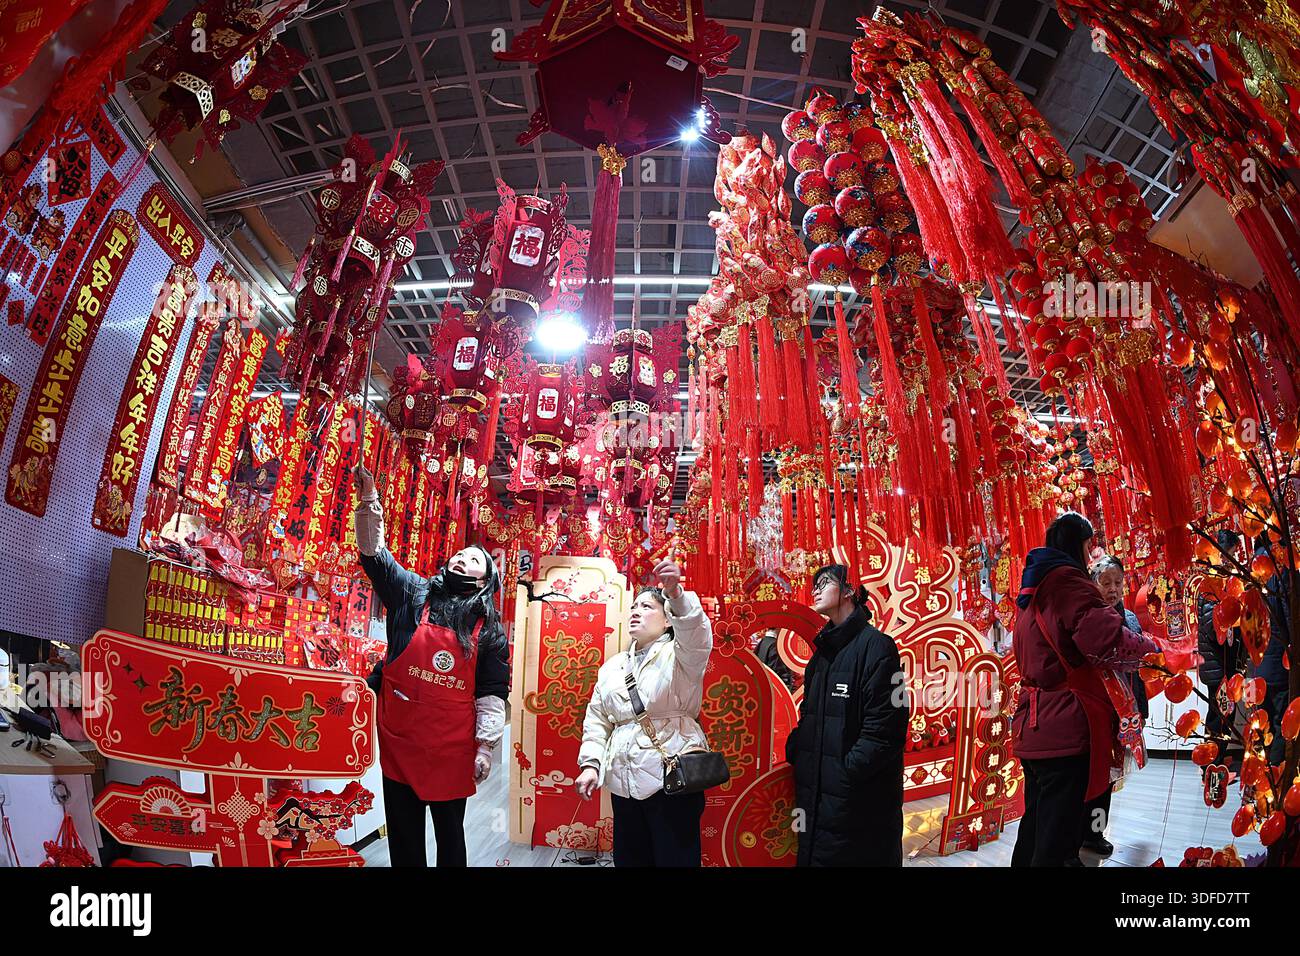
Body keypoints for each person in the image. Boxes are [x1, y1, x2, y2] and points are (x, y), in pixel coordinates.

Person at [353, 465, 510, 867]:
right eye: (459, 554)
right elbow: (375, 555)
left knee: (450, 838)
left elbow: (491, 694)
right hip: (400, 740)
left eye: (474, 558)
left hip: (451, 749)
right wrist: (370, 501)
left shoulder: (489, 629)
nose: (461, 558)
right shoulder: (412, 593)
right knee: (404, 841)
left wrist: (485, 748)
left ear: (486, 580)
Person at [1010, 513, 1157, 867]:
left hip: (1035, 722)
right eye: (1089, 546)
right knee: (1058, 840)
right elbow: (1107, 641)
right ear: (1080, 545)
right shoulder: (1069, 585)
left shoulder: (1034, 592)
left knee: (1035, 828)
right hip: (1065, 725)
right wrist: (1154, 648)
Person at [575, 558, 713, 866]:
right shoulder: (613, 667)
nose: (637, 611)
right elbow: (597, 720)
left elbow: (695, 631)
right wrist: (592, 764)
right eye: (634, 606)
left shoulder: (682, 657)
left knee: (674, 859)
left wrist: (676, 594)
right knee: (630, 860)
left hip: (671, 778)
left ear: (667, 620)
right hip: (622, 782)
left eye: (648, 607)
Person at [784, 563, 909, 866]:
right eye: (813, 584)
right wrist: (799, 750)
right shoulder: (822, 655)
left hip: (858, 802)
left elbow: (886, 731)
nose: (814, 589)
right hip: (817, 798)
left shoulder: (878, 647)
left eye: (824, 582)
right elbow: (809, 718)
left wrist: (844, 773)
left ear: (849, 590)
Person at [1081, 554, 1149, 858]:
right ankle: (1081, 831)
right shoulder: (1088, 619)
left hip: (1123, 711)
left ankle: (1096, 833)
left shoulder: (1131, 619)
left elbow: (1137, 671)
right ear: (1093, 585)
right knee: (1089, 773)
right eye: (1105, 582)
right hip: (1095, 708)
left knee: (1110, 775)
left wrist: (1141, 711)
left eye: (1118, 583)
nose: (1113, 589)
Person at [1197, 530, 1246, 773]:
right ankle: (1210, 764)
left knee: (1223, 713)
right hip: (1216, 665)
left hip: (1221, 663)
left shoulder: (1223, 582)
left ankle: (1215, 760)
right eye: (1234, 553)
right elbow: (1210, 625)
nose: (1235, 558)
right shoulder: (1211, 584)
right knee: (1219, 714)